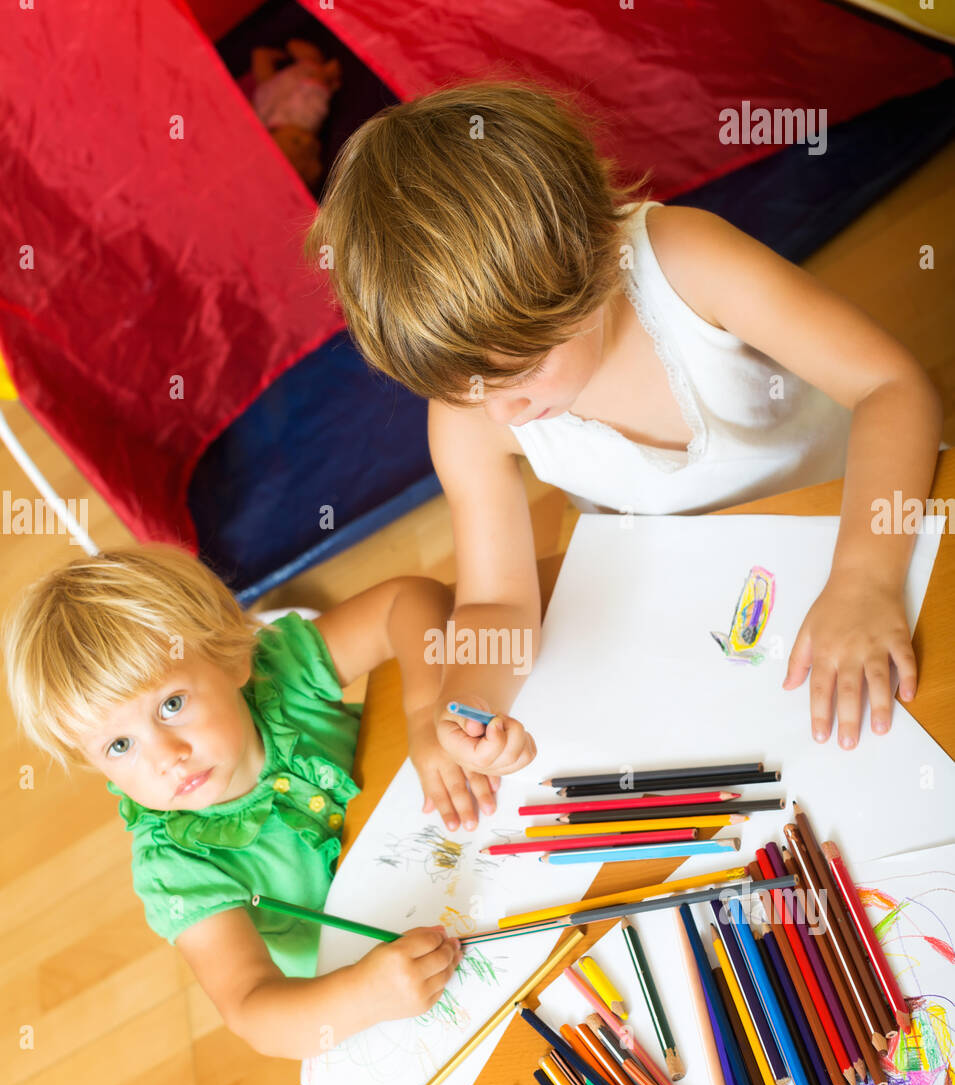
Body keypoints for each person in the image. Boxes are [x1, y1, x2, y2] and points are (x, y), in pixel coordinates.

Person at [305, 78, 942, 795]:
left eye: (522, 373)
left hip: (862, 524)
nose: (501, 414)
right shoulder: (474, 411)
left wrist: (862, 579)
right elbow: (496, 605)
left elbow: (889, 387)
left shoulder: (685, 262)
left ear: (595, 253)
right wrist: (471, 704)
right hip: (706, 604)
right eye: (459, 391)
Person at [1, 545, 496, 1060]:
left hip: (470, 839)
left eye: (171, 705)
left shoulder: (280, 674)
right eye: (119, 746)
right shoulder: (176, 866)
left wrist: (422, 712)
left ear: (231, 658)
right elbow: (251, 1009)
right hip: (383, 985)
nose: (168, 758)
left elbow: (411, 599)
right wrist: (366, 996)